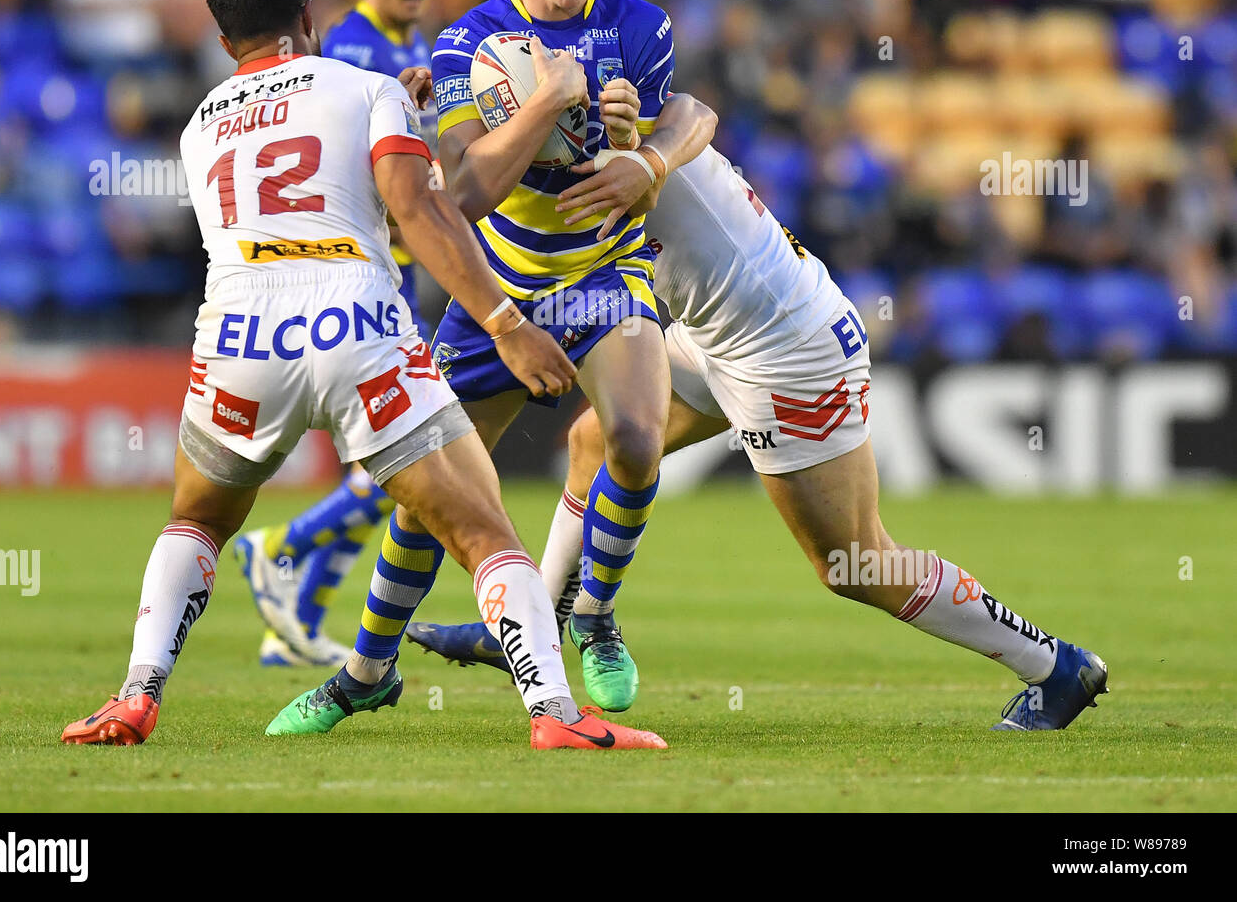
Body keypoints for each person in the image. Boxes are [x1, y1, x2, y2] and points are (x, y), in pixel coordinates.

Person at [61, 0, 665, 752]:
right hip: (355, 328)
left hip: (241, 341)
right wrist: (507, 323)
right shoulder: (361, 87)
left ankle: (135, 696)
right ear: (309, 17)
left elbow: (286, 209)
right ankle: (555, 711)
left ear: (222, 40)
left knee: (195, 523)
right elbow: (413, 210)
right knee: (485, 532)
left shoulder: (201, 123)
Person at [409, 144, 1110, 732]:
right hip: (721, 332)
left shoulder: (613, 135)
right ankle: (545, 628)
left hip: (784, 350)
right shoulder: (609, 120)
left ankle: (1053, 665)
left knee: (854, 562)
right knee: (597, 441)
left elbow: (491, 194)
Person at [408, 0, 692, 713]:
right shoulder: (466, 41)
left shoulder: (642, 29)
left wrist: (634, 146)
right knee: (430, 486)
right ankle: (364, 668)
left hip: (607, 272)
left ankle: (593, 615)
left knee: (636, 439)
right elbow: (462, 194)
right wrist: (548, 104)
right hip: (499, 287)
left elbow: (652, 164)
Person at [233, 0, 442, 668]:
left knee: (385, 465)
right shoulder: (349, 52)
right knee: (406, 461)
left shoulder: (409, 42)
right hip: (358, 279)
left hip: (397, 274)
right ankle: (282, 547)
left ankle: (292, 619)